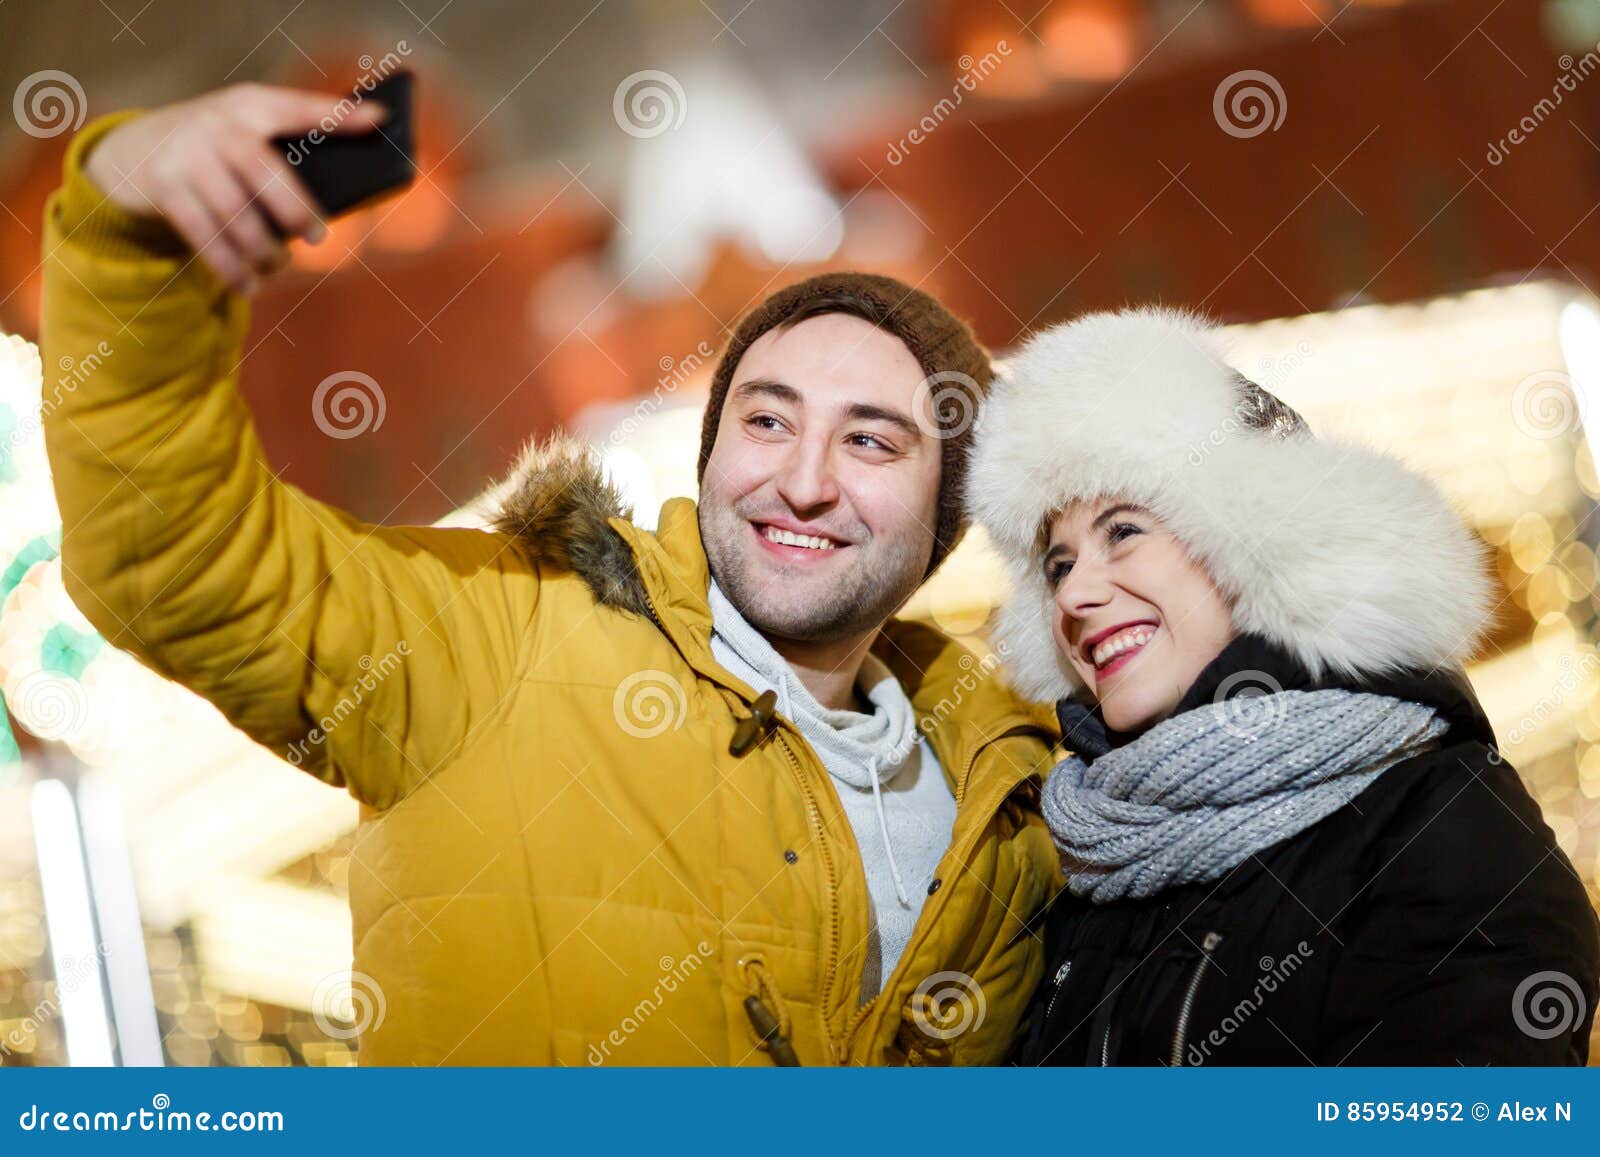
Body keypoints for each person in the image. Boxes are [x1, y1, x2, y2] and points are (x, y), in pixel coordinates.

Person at [38, 84, 1062, 1065]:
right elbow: (175, 558)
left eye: (871, 441)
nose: (802, 480)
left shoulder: (1010, 808)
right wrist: (130, 224)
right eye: (766, 420)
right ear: (711, 451)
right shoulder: (489, 641)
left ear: (948, 507)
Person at [964, 305, 1600, 1065]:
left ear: (1258, 543)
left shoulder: (1435, 821)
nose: (1073, 593)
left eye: (1124, 531)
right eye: (1058, 565)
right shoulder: (1090, 856)